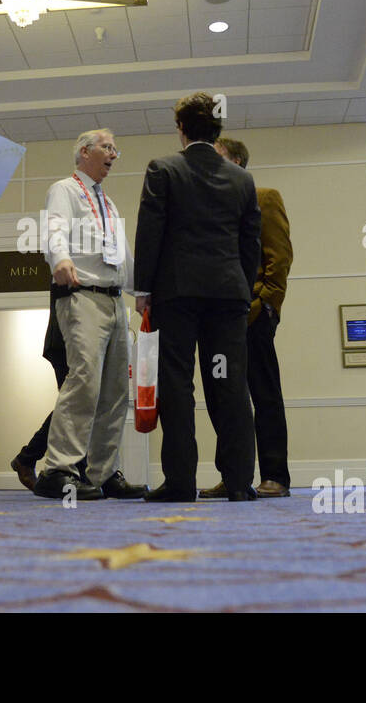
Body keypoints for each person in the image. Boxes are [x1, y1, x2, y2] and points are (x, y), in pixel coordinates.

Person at [134, 93, 261, 502]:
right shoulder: (242, 178)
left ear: (182, 129)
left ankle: (181, 482)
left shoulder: (163, 169)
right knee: (228, 383)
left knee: (177, 383)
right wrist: (241, 289)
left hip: (177, 295)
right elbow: (250, 244)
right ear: (218, 130)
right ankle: (240, 482)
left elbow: (150, 233)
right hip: (227, 298)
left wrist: (143, 290)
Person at [33, 129, 147, 500]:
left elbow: (123, 256)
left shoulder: (110, 205)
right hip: (82, 296)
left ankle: (101, 472)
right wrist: (60, 258)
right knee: (84, 382)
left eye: (116, 148)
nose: (115, 154)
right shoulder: (64, 189)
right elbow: (54, 228)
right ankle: (58, 469)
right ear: (84, 152)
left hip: (115, 302)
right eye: (107, 147)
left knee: (115, 390)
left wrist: (142, 294)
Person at [199, 137, 293, 498]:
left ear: (238, 161)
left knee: (264, 394)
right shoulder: (206, 207)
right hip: (215, 318)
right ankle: (235, 474)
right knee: (221, 397)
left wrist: (267, 305)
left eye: (219, 158)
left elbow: (280, 258)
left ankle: (275, 476)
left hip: (253, 315)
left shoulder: (264, 196)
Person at [8, 296, 87, 490]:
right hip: (66, 341)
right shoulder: (69, 268)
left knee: (78, 405)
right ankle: (28, 458)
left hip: (70, 341)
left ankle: (29, 458)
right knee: (74, 404)